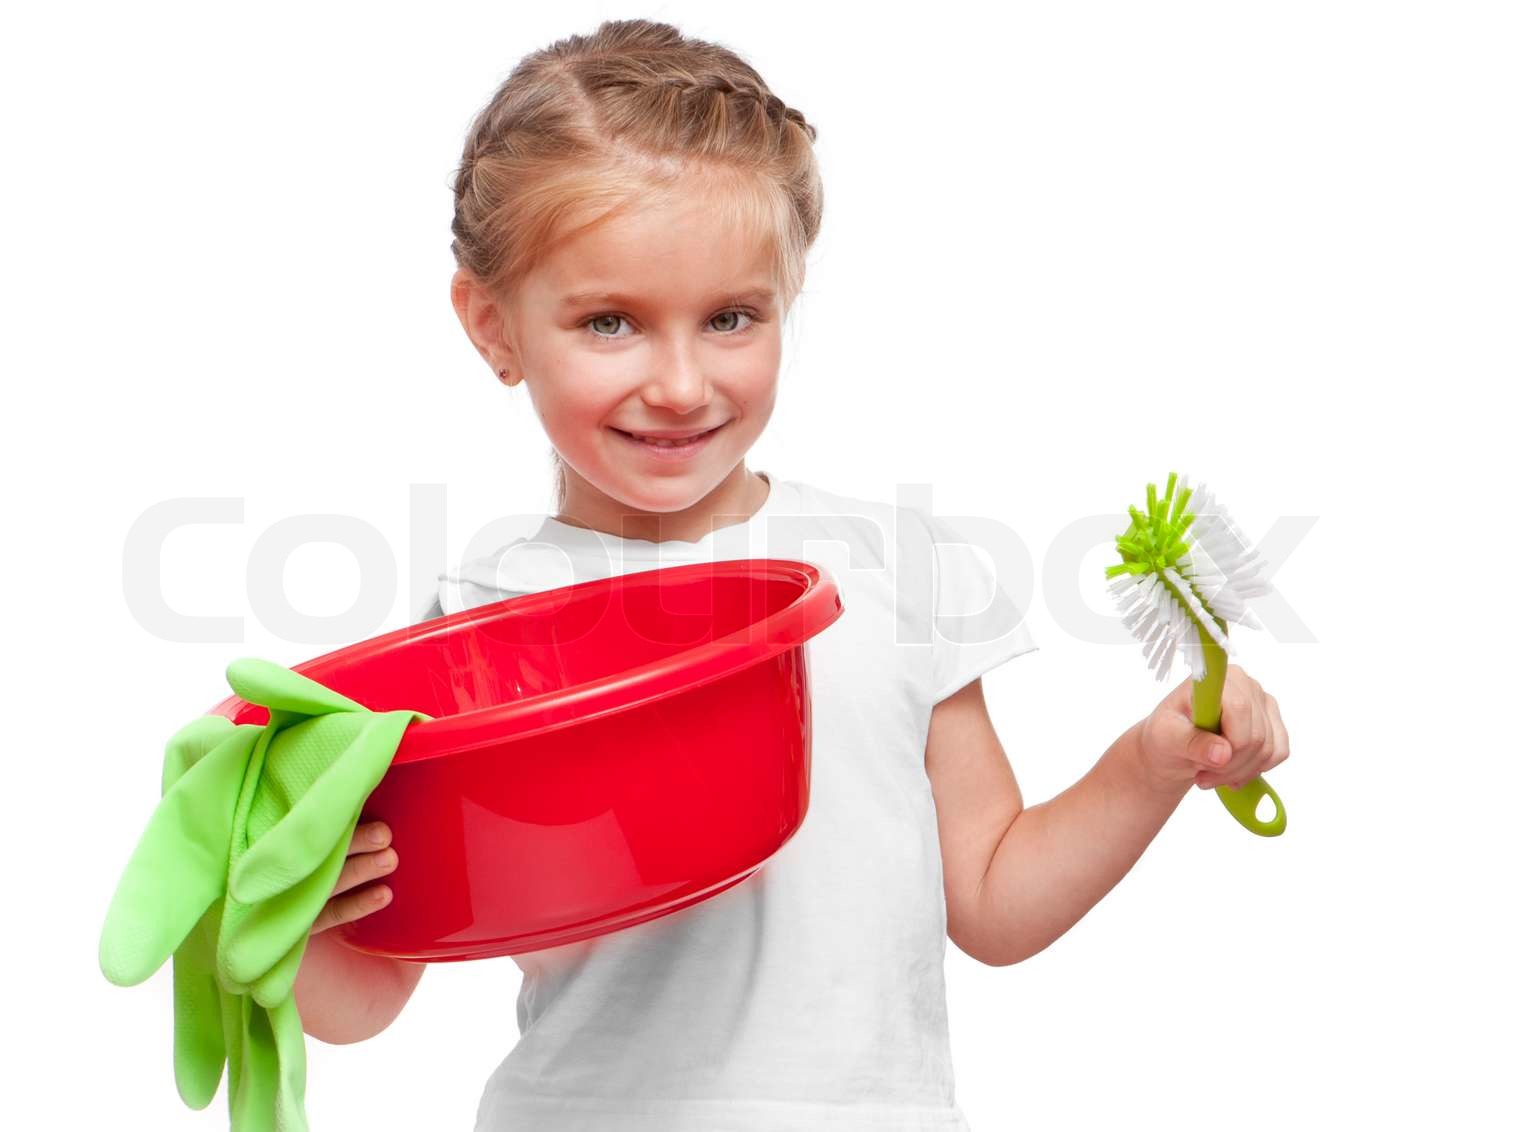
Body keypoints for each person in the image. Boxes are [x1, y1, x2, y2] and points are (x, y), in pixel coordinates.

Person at [293, 18, 1292, 1131]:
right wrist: (279, 905)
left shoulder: (895, 569)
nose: (679, 384)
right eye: (610, 321)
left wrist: (1151, 761)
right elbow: (364, 1000)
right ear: (493, 325)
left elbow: (997, 902)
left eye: (730, 318)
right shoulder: (485, 618)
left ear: (788, 297)